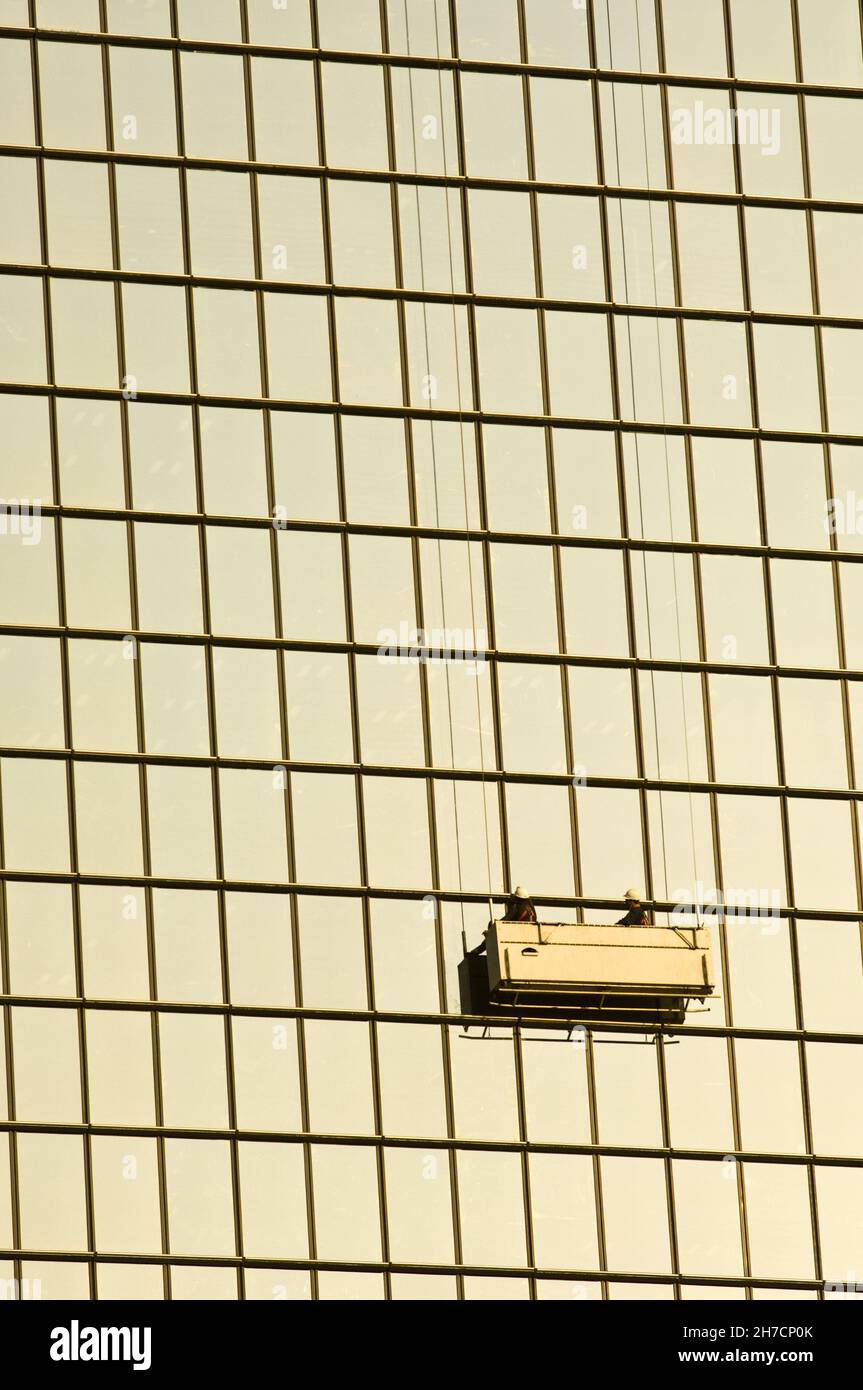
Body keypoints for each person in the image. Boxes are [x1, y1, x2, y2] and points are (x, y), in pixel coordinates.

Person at [468, 886, 537, 956]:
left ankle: (476, 951)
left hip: (517, 935)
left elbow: (505, 920)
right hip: (528, 936)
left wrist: (490, 930)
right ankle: (477, 950)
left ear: (517, 898)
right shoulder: (531, 908)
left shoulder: (518, 907)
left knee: (493, 926)